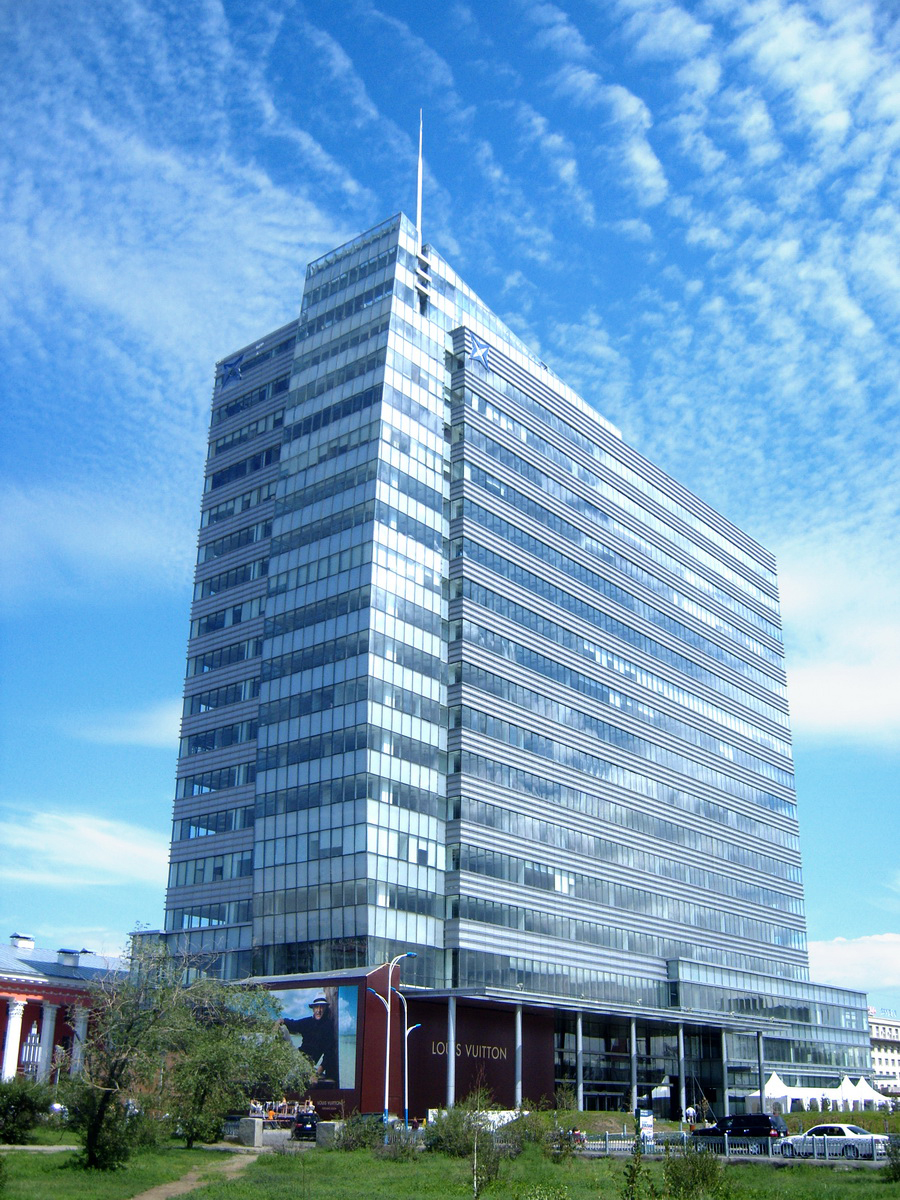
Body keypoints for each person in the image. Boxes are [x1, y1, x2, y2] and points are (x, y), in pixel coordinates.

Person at [284, 995, 339, 1085]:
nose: (319, 1010)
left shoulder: (327, 1026)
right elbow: (293, 1024)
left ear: (325, 1009)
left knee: (288, 1080)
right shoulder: (307, 1022)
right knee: (282, 1029)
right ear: (313, 1009)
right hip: (296, 1055)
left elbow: (329, 1054)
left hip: (306, 1064)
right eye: (317, 1007)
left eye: (322, 1007)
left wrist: (316, 1074)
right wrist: (281, 1020)